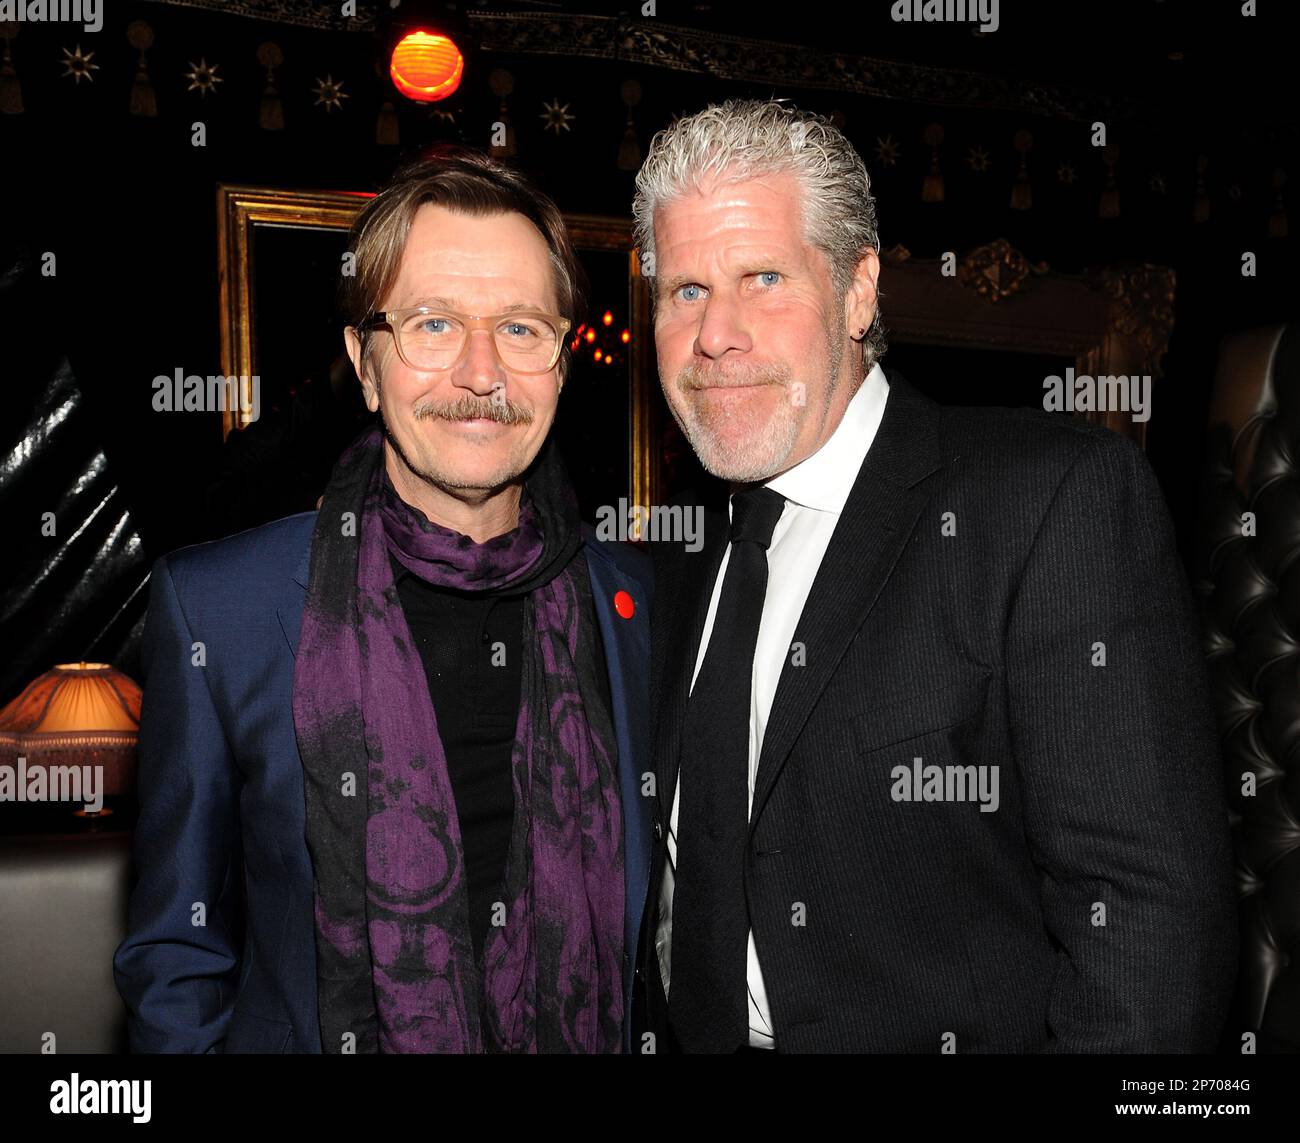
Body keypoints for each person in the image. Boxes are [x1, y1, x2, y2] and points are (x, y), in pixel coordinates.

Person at [630, 98, 1236, 1053]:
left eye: (764, 277)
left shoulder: (1049, 501)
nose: (717, 334)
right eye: (686, 291)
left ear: (860, 289)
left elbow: (1149, 930)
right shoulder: (680, 549)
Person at [114, 145, 652, 1054]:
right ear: (366, 362)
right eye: (434, 324)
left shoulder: (642, 607)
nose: (482, 373)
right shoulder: (222, 610)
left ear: (563, 364)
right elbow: (177, 954)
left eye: (522, 328)